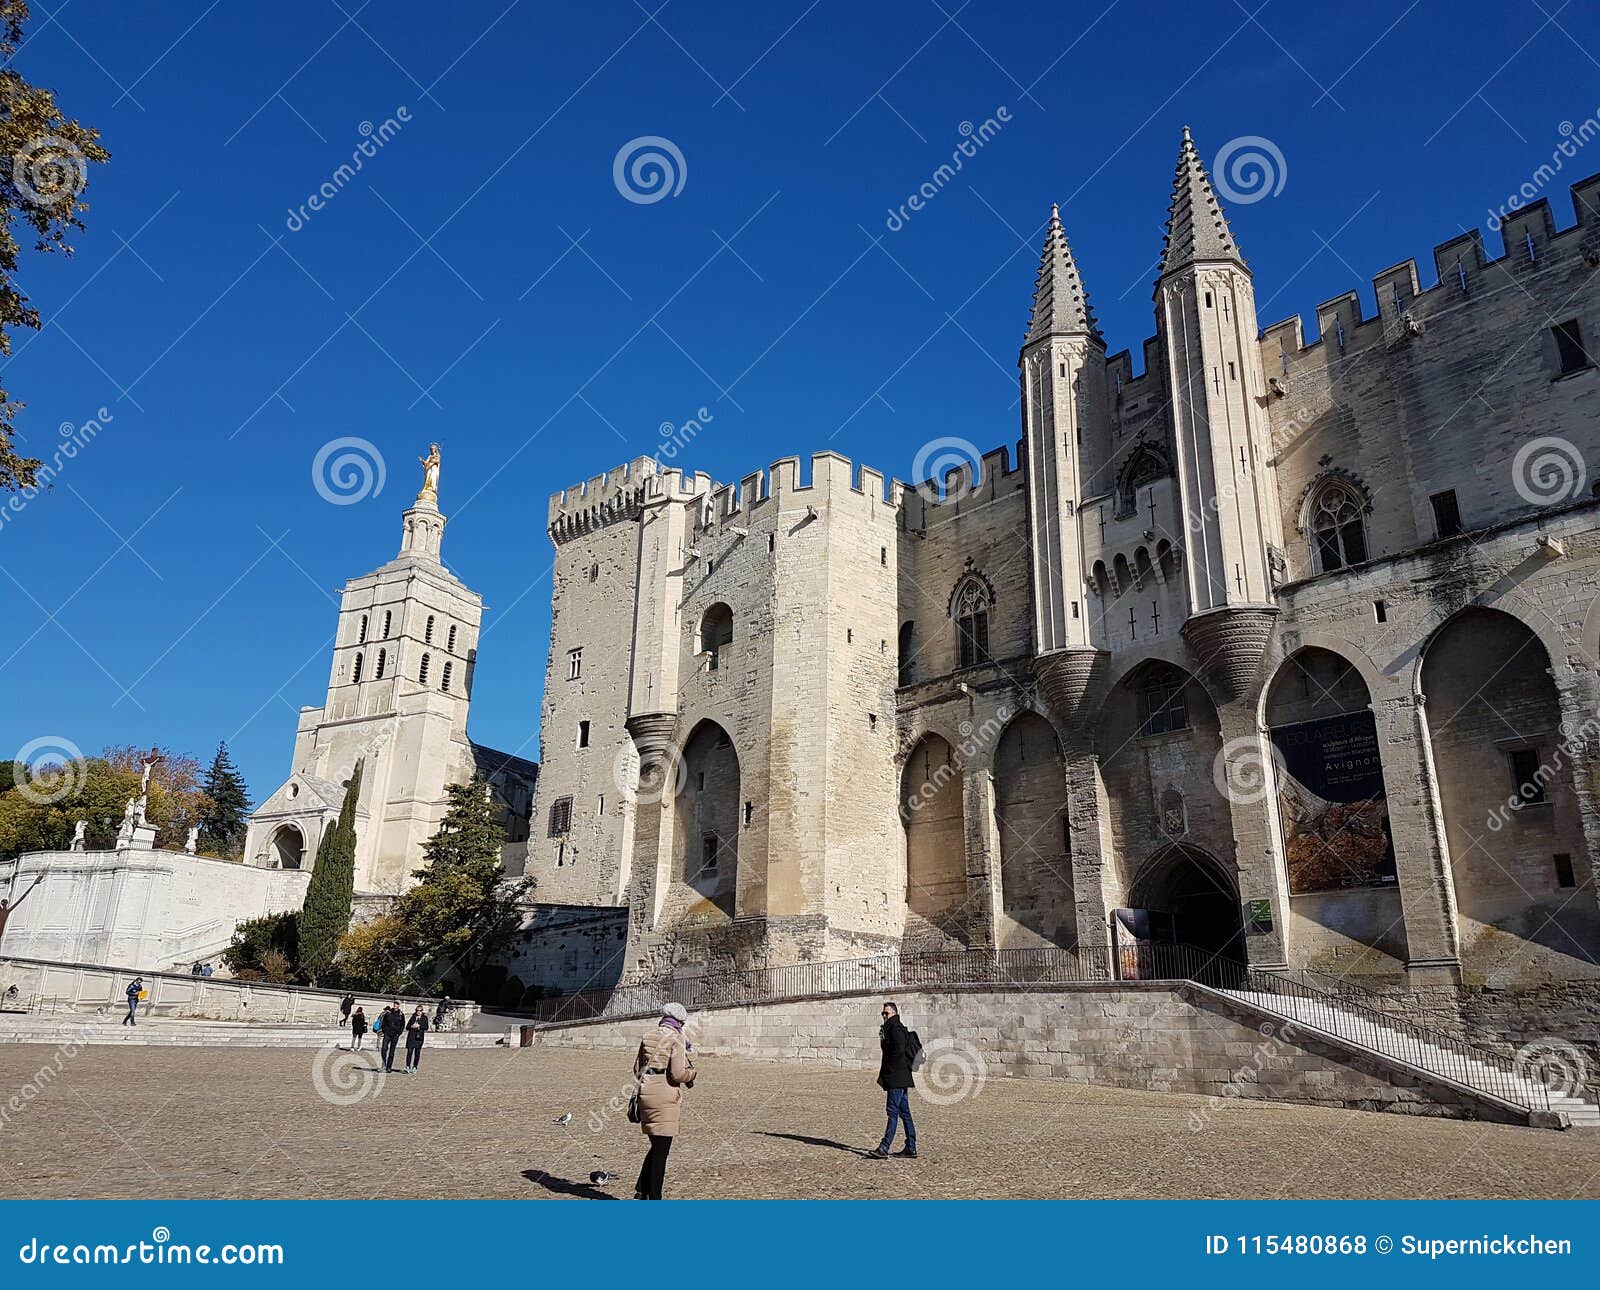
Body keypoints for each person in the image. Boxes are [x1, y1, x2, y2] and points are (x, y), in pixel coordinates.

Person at [632, 1002, 695, 1200]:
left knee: (657, 1145)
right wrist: (691, 1074)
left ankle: (642, 1190)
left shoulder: (648, 1035)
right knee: (662, 1151)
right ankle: (655, 1197)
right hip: (665, 1097)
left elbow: (636, 1069)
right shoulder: (676, 1039)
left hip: (646, 1094)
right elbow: (677, 1074)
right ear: (679, 1021)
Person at [868, 1001, 917, 1159]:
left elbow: (899, 1049)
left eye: (887, 1013)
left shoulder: (894, 1028)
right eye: (883, 1013)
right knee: (905, 1113)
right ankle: (910, 1147)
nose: (884, 1016)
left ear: (894, 1014)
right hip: (901, 1076)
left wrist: (890, 1069)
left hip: (896, 1077)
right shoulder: (894, 1028)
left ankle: (884, 1147)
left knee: (892, 1112)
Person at [379, 1001, 405, 1072]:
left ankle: (389, 1067)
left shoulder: (401, 1014)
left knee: (392, 1052)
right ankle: (383, 1065)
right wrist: (384, 1031)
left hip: (395, 1035)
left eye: (396, 1004)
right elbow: (384, 1022)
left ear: (399, 1006)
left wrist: (398, 1033)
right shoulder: (388, 1013)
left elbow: (402, 1025)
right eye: (394, 1004)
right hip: (387, 1033)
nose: (395, 1005)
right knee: (384, 1049)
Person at [404, 1005, 429, 1073]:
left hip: (419, 1038)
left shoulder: (424, 1018)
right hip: (411, 1037)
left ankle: (415, 1066)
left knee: (417, 1053)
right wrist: (412, 1026)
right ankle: (407, 1066)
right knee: (409, 1052)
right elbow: (407, 1027)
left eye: (420, 1010)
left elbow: (426, 1027)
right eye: (417, 1010)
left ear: (422, 1011)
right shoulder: (413, 1017)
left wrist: (419, 1026)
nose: (418, 1012)